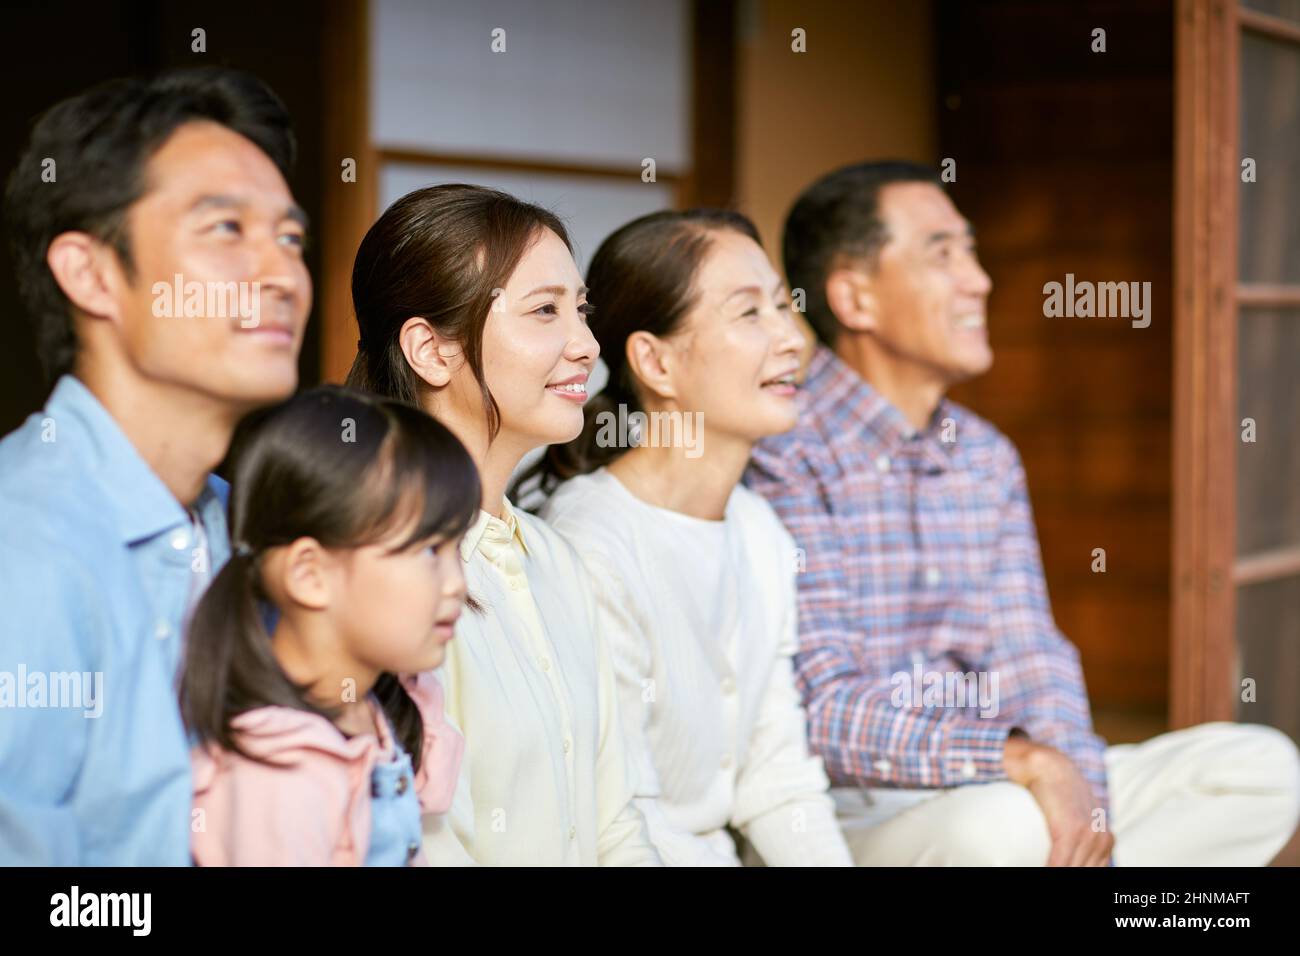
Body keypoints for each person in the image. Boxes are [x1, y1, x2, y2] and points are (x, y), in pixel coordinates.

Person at [745, 159, 1300, 866]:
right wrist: (1019, 763)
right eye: (942, 254)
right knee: (1003, 828)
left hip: (1007, 774)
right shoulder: (784, 447)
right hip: (858, 808)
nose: (979, 279)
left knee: (1258, 769)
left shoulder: (984, 455)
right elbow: (821, 709)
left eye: (970, 250)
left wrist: (1078, 785)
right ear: (855, 299)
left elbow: (1031, 651)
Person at [0, 68, 310, 865]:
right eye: (225, 230)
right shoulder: (24, 544)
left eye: (290, 238)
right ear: (92, 273)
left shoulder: (253, 534)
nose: (281, 276)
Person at [346, 184, 661, 865]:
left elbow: (614, 825)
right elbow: (424, 843)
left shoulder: (555, 557)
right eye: (544, 311)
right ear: (432, 349)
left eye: (580, 311)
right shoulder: (382, 564)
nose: (585, 346)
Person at [532, 209, 852, 866]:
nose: (791, 339)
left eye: (780, 306)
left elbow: (777, 776)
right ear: (656, 361)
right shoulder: (591, 542)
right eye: (749, 314)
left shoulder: (760, 529)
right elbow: (622, 815)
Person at [182, 386, 475, 866]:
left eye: (455, 551)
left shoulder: (365, 708)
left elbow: (435, 790)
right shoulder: (280, 775)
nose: (457, 585)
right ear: (310, 574)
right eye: (427, 551)